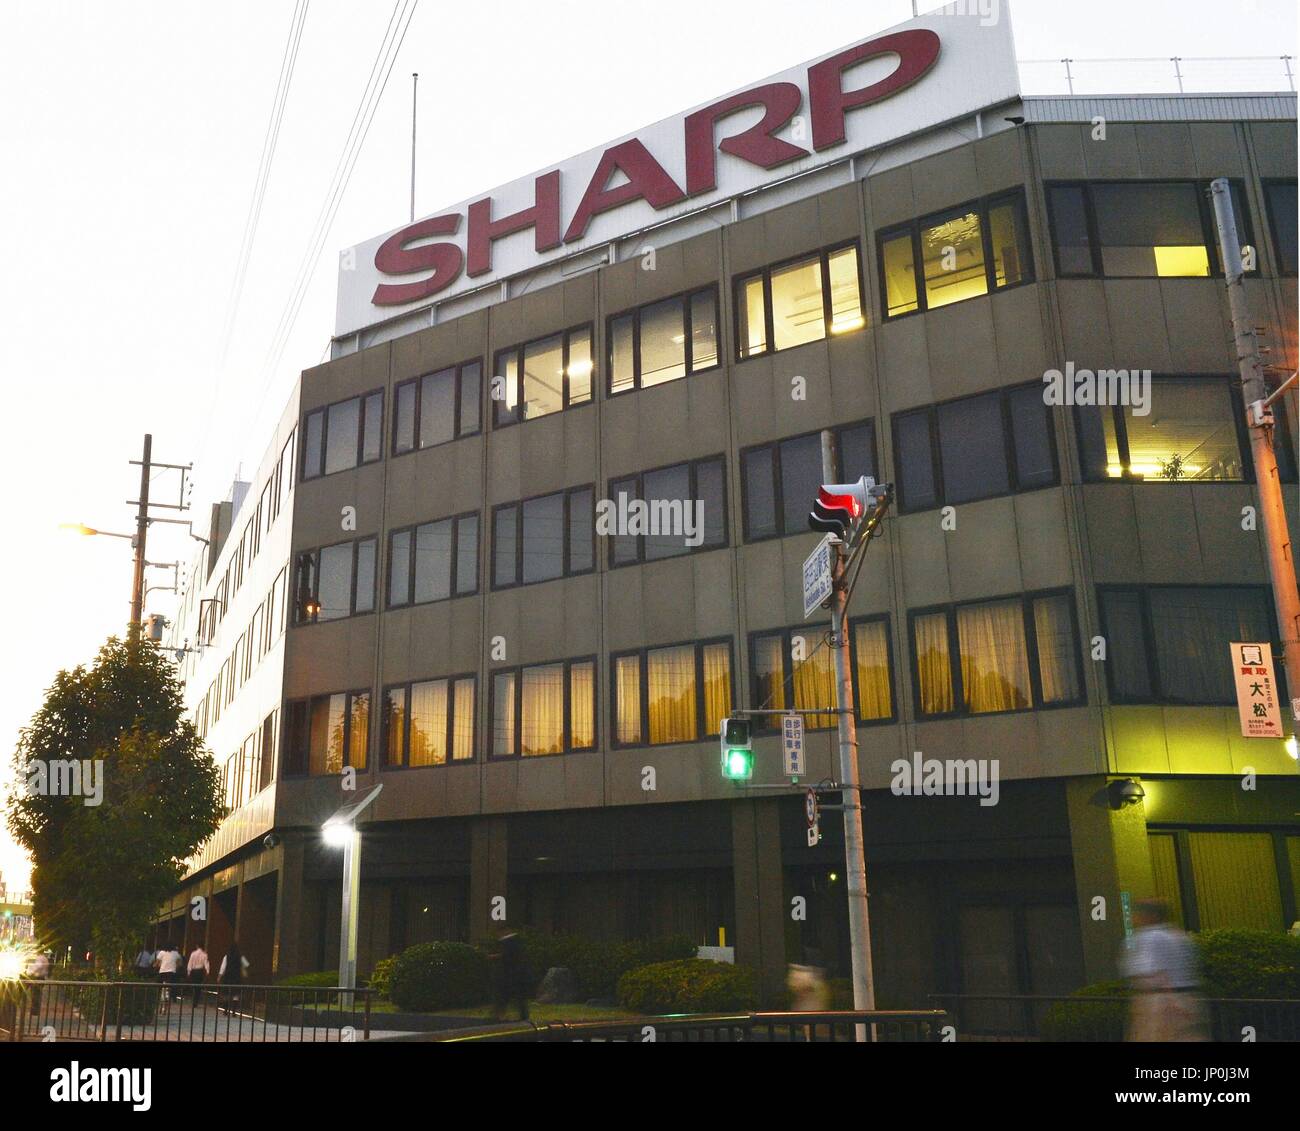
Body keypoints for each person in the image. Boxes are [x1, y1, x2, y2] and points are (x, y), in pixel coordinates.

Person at [1119, 898, 1208, 1042]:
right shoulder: (1181, 936)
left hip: (1158, 999)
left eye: (1138, 914)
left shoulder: (1148, 937)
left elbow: (1149, 974)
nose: (1135, 918)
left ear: (1148, 916)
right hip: (1188, 996)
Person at [492, 931, 530, 1021]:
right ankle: (521, 1016)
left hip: (510, 976)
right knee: (517, 998)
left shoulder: (509, 942)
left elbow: (506, 957)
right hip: (514, 976)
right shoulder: (515, 942)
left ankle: (499, 1015)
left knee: (504, 997)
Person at [218, 941, 249, 1012]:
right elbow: (246, 965)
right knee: (236, 993)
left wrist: (219, 976)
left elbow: (223, 967)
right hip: (237, 977)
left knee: (227, 993)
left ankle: (225, 1010)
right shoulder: (241, 956)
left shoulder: (226, 956)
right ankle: (234, 1011)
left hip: (228, 976)